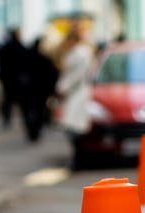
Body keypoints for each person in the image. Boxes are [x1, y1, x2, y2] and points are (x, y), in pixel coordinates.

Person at [56, 25, 93, 166]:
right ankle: (77, 158)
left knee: (74, 128)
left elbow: (76, 76)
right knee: (72, 127)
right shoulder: (74, 53)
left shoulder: (81, 54)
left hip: (77, 93)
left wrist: (63, 88)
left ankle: (79, 159)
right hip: (73, 93)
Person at [19, 37, 59, 142]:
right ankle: (34, 129)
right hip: (40, 91)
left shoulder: (25, 58)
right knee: (39, 110)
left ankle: (32, 129)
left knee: (30, 110)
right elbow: (53, 74)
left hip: (29, 91)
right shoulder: (45, 59)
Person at [0, 28, 27, 127]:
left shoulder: (5, 48)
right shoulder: (21, 48)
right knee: (21, 100)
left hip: (8, 78)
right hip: (17, 78)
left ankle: (7, 119)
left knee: (8, 99)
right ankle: (24, 119)